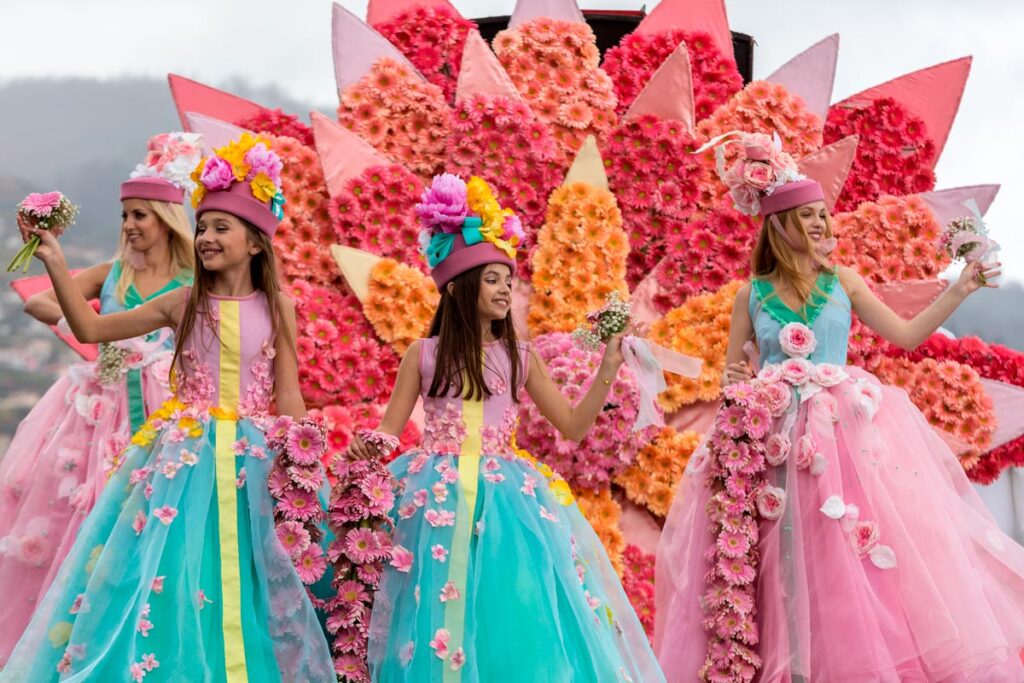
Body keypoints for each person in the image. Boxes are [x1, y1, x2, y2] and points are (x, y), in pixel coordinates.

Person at [655, 131, 1024, 681]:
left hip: (843, 444)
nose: (823, 225)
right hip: (770, 444)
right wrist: (742, 378)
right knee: (777, 565)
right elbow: (735, 373)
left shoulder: (843, 282)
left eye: (824, 215)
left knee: (848, 554)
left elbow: (903, 335)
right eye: (810, 217)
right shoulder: (749, 295)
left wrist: (961, 288)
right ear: (781, 225)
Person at [1, 134, 334, 682]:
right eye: (201, 226)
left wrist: (297, 464)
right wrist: (56, 261)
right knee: (179, 569)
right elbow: (90, 328)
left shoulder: (278, 306)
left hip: (251, 461)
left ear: (256, 242)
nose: (205, 236)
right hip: (186, 461)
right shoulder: (184, 302)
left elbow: (288, 392)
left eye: (220, 227)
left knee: (251, 573)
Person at [351, 173, 665, 682]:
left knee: (504, 610)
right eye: (492, 279)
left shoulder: (520, 358)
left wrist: (609, 364)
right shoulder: (423, 354)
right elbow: (388, 432)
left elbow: (572, 424)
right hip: (435, 499)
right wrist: (362, 459)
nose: (505, 290)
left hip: (507, 505)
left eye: (508, 280)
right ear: (457, 287)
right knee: (433, 609)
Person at [0, 132, 198, 667]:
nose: (131, 225)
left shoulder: (192, 282)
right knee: (76, 513)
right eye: (125, 215)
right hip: (98, 407)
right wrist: (94, 333)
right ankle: (57, 643)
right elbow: (38, 304)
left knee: (144, 519)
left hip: (161, 410)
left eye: (141, 215)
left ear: (167, 219)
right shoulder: (114, 275)